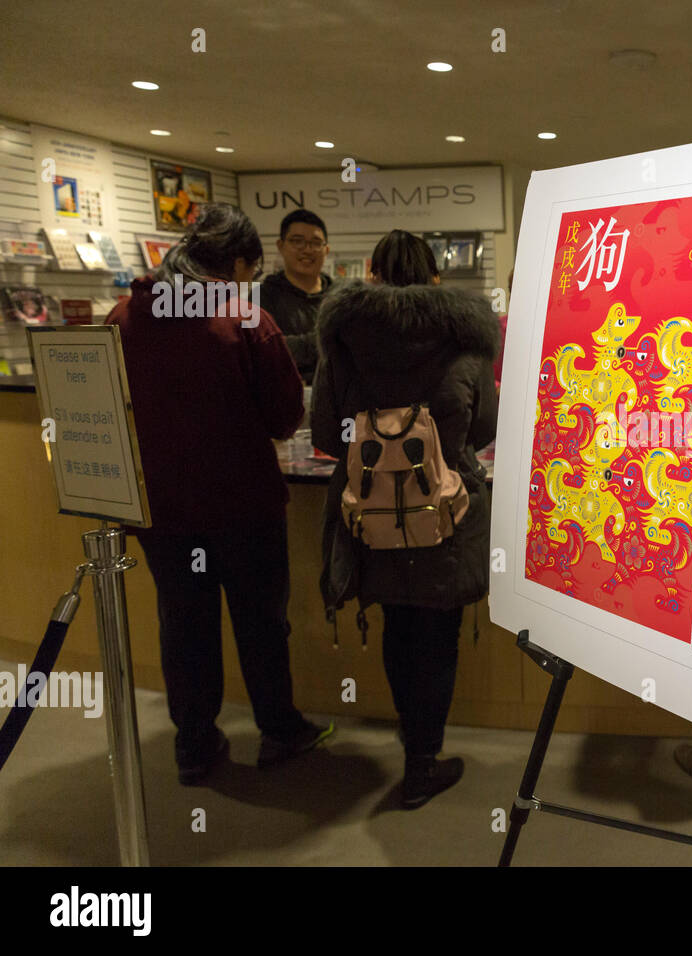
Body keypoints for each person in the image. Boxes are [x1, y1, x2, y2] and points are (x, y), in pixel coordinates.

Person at [107, 203, 333, 785]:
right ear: (236, 264)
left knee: (184, 624)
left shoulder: (124, 316)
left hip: (162, 508)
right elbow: (285, 416)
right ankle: (279, 729)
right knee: (261, 623)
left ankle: (193, 743)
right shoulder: (245, 319)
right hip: (242, 504)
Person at [312, 229, 499, 809]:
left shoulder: (343, 341)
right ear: (435, 277)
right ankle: (424, 759)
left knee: (397, 626)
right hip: (445, 512)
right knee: (438, 634)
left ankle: (411, 741)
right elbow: (484, 430)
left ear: (372, 275)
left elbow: (327, 434)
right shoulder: (465, 340)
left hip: (374, 514)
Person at [259, 209, 333, 381]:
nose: (307, 250)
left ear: (326, 250)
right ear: (281, 246)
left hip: (336, 393)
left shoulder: (341, 296)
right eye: (297, 241)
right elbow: (265, 351)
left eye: (316, 243)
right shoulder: (262, 295)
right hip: (284, 392)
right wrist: (326, 341)